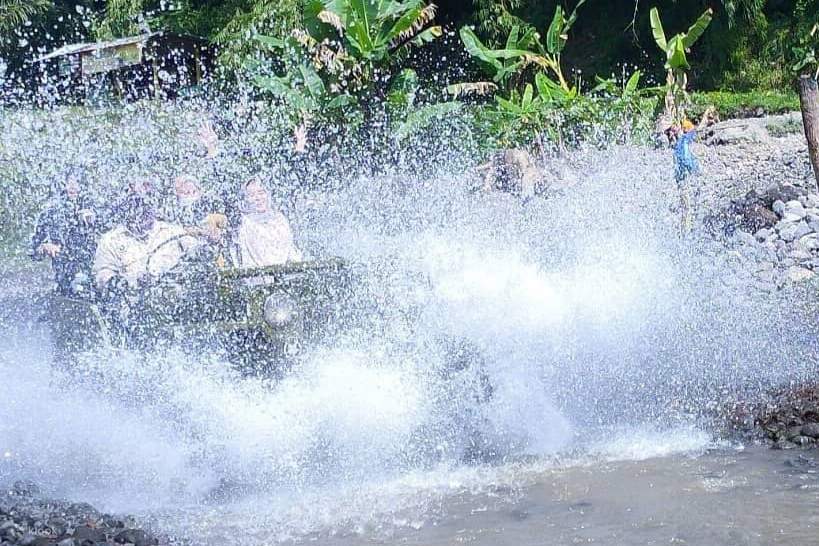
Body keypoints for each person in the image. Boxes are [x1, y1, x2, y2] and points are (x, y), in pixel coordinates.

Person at [93, 185, 200, 292]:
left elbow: (198, 253)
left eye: (146, 206)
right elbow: (102, 275)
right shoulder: (110, 241)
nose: (142, 212)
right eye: (137, 205)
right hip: (133, 296)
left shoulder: (173, 232)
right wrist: (127, 283)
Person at [30, 172, 99, 295]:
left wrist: (94, 221)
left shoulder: (95, 207)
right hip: (65, 276)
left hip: (95, 272)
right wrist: (45, 247)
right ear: (63, 185)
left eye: (77, 182)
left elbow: (112, 235)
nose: (73, 186)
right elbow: (33, 250)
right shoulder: (51, 212)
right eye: (69, 182)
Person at [232, 177, 302, 269]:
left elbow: (291, 251)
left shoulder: (280, 219)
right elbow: (264, 259)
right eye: (252, 195)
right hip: (259, 274)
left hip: (284, 273)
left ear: (268, 195)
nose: (258, 198)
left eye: (261, 193)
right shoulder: (247, 223)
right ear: (246, 199)